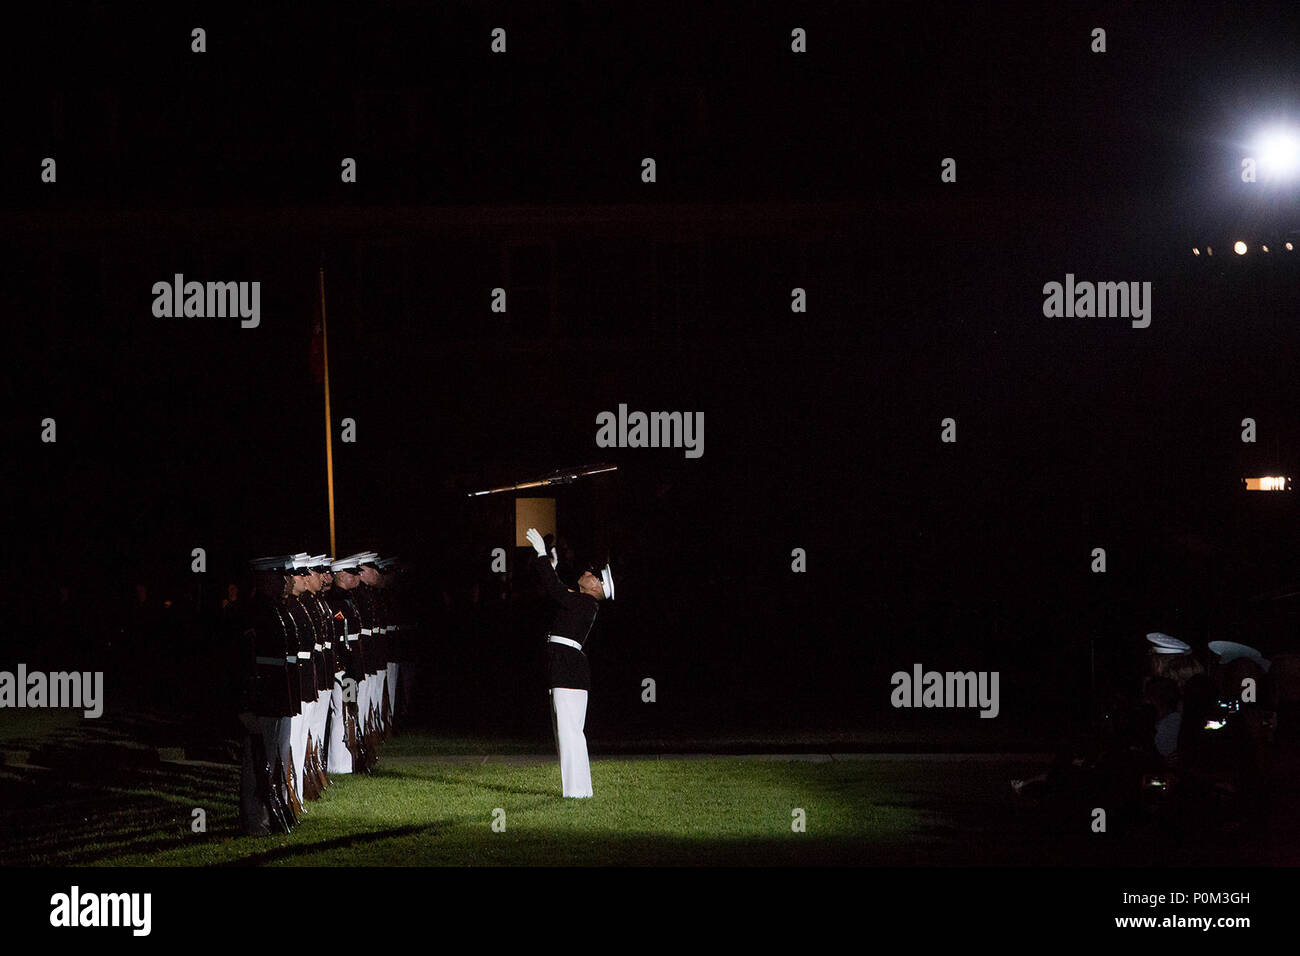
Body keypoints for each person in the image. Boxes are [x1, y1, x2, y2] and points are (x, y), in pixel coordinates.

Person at [525, 527, 613, 798]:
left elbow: (556, 590)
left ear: (596, 587)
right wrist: (552, 565)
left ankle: (576, 791)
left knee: (569, 732)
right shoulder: (582, 602)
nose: (587, 574)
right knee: (567, 732)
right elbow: (559, 588)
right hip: (564, 667)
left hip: (569, 670)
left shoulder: (587, 604)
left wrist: (541, 556)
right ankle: (578, 790)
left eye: (592, 575)